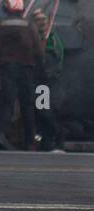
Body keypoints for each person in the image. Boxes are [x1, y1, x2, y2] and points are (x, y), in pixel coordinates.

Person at [0, 0, 45, 151]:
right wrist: (40, 68)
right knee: (27, 106)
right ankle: (30, 142)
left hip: (6, 69)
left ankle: (1, 135)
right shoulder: (29, 26)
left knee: (7, 103)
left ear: (7, 8)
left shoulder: (2, 24)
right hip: (26, 69)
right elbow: (38, 50)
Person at [32, 9, 65, 152]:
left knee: (43, 110)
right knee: (39, 111)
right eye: (39, 20)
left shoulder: (50, 37)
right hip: (35, 80)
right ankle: (45, 139)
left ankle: (54, 136)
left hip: (43, 83)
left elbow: (59, 55)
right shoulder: (34, 37)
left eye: (44, 20)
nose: (43, 22)